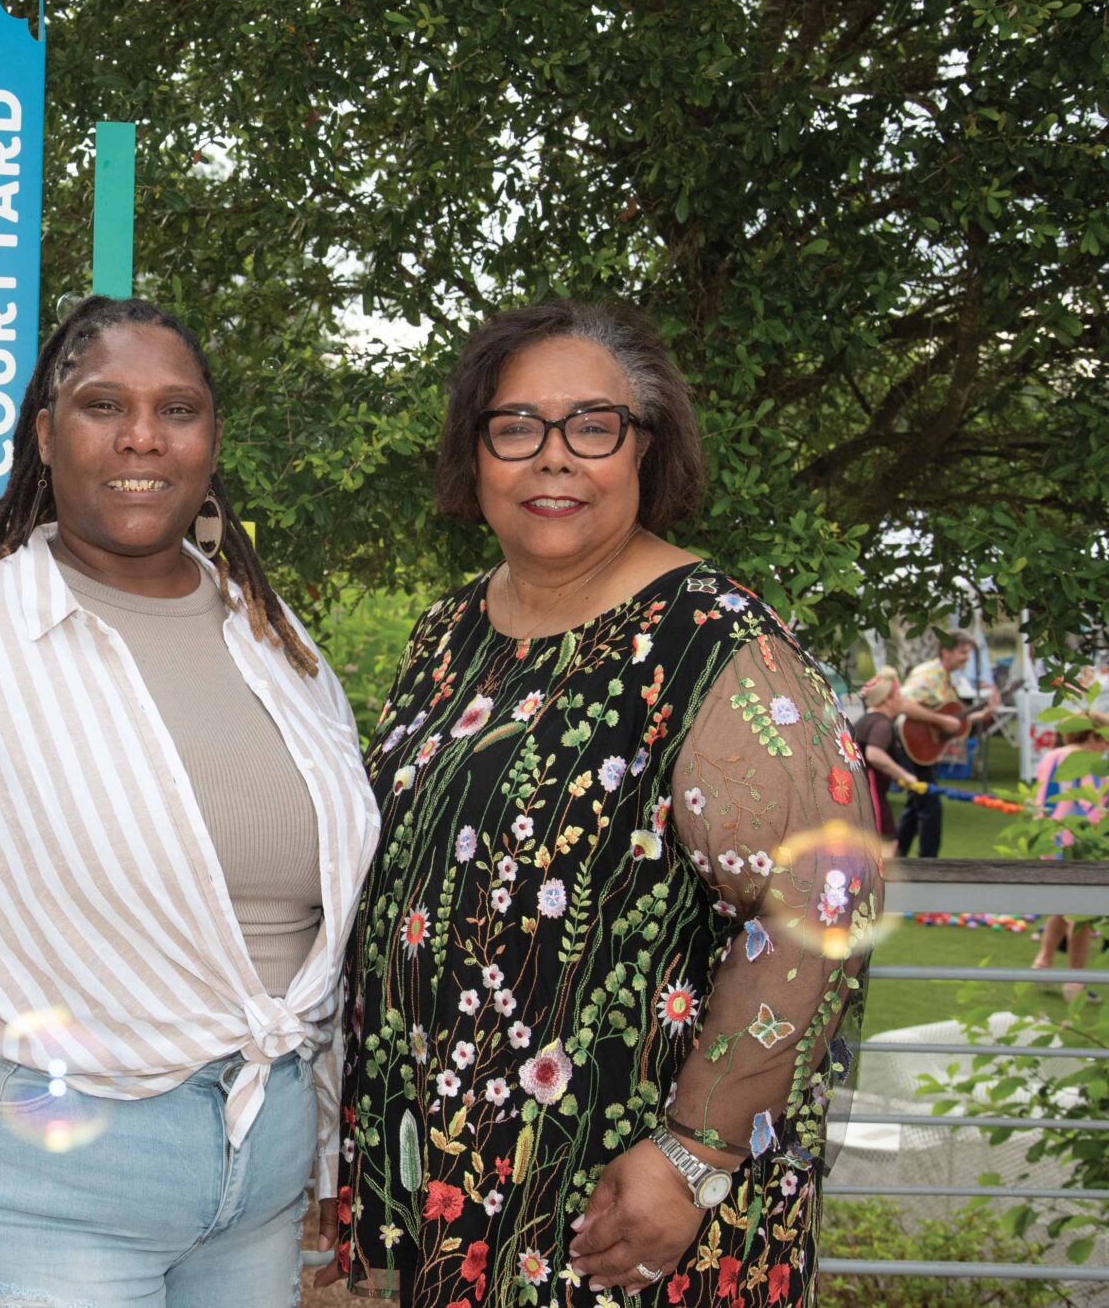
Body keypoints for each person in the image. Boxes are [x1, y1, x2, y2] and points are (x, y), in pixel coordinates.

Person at [0, 296, 380, 1308]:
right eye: (103, 403)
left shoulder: (274, 640)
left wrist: (317, 1136)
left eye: (177, 408)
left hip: (258, 1175)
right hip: (41, 1185)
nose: (141, 435)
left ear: (209, 437)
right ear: (43, 435)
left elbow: (314, 929)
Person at [328, 300, 881, 1305]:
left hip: (623, 1220)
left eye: (591, 425)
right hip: (451, 1198)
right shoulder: (445, 634)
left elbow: (827, 893)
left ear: (644, 447)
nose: (552, 458)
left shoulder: (712, 640)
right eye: (515, 427)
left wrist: (693, 1152)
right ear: (474, 452)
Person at [1028, 707, 1108, 1003]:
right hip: (1081, 840)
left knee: (1059, 906)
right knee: (1082, 914)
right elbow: (1095, 808)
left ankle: (1043, 963)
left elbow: (1040, 799)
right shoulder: (1092, 763)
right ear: (1094, 735)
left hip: (1049, 837)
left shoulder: (1052, 756)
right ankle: (1075, 980)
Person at [896, 630, 981, 858]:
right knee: (930, 805)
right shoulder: (928, 674)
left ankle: (897, 854)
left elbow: (953, 718)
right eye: (962, 652)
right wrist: (940, 720)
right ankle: (929, 863)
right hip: (910, 742)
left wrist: (988, 710)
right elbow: (902, 704)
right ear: (945, 652)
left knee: (917, 804)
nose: (966, 658)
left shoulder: (946, 677)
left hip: (924, 748)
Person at [852, 668, 924, 838]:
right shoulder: (881, 725)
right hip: (872, 795)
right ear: (887, 700)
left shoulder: (867, 720)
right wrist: (905, 776)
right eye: (899, 695)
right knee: (884, 845)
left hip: (862, 794)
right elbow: (874, 754)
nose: (902, 699)